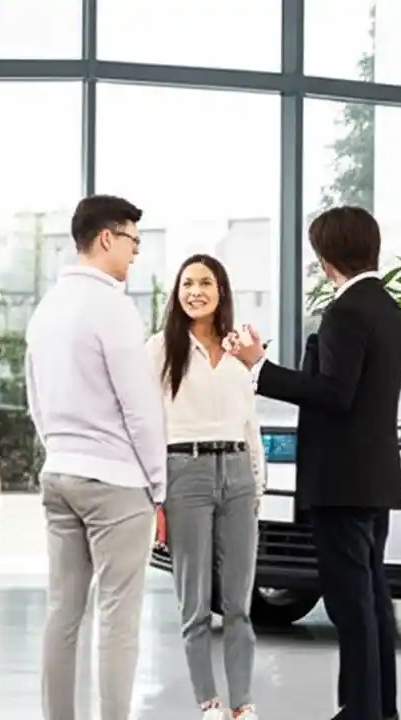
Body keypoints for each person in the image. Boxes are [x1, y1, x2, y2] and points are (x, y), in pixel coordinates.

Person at [229, 206, 401, 720]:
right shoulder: (390, 310)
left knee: (352, 606)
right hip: (374, 479)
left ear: (327, 256)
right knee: (372, 601)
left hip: (342, 482)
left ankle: (362, 712)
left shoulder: (346, 311)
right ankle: (378, 709)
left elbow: (334, 393)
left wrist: (259, 367)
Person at [25, 194, 166, 720]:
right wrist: (158, 484)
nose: (135, 253)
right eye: (132, 241)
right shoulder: (113, 307)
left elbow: (35, 400)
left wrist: (60, 450)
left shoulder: (47, 309)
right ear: (106, 238)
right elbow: (140, 408)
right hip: (115, 482)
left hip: (60, 473)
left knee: (62, 612)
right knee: (118, 618)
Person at [147, 254, 265, 720]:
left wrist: (257, 485)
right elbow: (145, 423)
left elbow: (251, 423)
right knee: (194, 603)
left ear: (221, 292)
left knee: (239, 603)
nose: (196, 291)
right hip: (185, 472)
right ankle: (209, 703)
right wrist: (156, 493)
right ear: (177, 293)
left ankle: (243, 704)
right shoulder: (160, 349)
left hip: (237, 475)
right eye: (188, 284)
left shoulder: (239, 350)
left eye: (206, 283)